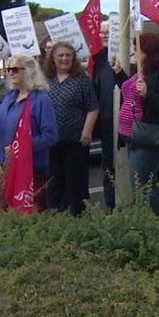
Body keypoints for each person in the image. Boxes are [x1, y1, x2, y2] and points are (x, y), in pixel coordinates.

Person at [0, 55, 58, 213]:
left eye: (15, 69)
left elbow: (50, 136)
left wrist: (21, 147)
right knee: (6, 217)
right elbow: (0, 129)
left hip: (31, 170)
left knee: (29, 217)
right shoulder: (9, 98)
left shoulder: (41, 100)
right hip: (4, 167)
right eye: (8, 70)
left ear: (29, 71)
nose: (10, 73)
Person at [111, 33, 159, 215]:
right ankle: (152, 220)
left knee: (141, 184)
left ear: (149, 52)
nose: (134, 53)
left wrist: (149, 94)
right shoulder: (143, 70)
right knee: (144, 183)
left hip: (150, 137)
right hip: (135, 136)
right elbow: (131, 91)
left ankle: (156, 220)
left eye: (137, 50)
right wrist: (118, 73)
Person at [44, 41, 98, 215]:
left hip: (76, 141)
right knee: (54, 183)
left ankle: (78, 219)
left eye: (68, 55)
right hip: (52, 141)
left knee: (75, 184)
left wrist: (87, 131)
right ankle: (55, 218)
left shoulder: (81, 79)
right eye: (60, 55)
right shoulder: (46, 80)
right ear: (53, 58)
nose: (64, 58)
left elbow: (93, 107)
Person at [90, 20, 116, 209]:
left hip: (124, 125)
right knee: (108, 169)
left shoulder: (126, 57)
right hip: (106, 124)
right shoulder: (98, 60)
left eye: (109, 31)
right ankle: (111, 207)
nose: (105, 34)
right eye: (102, 31)